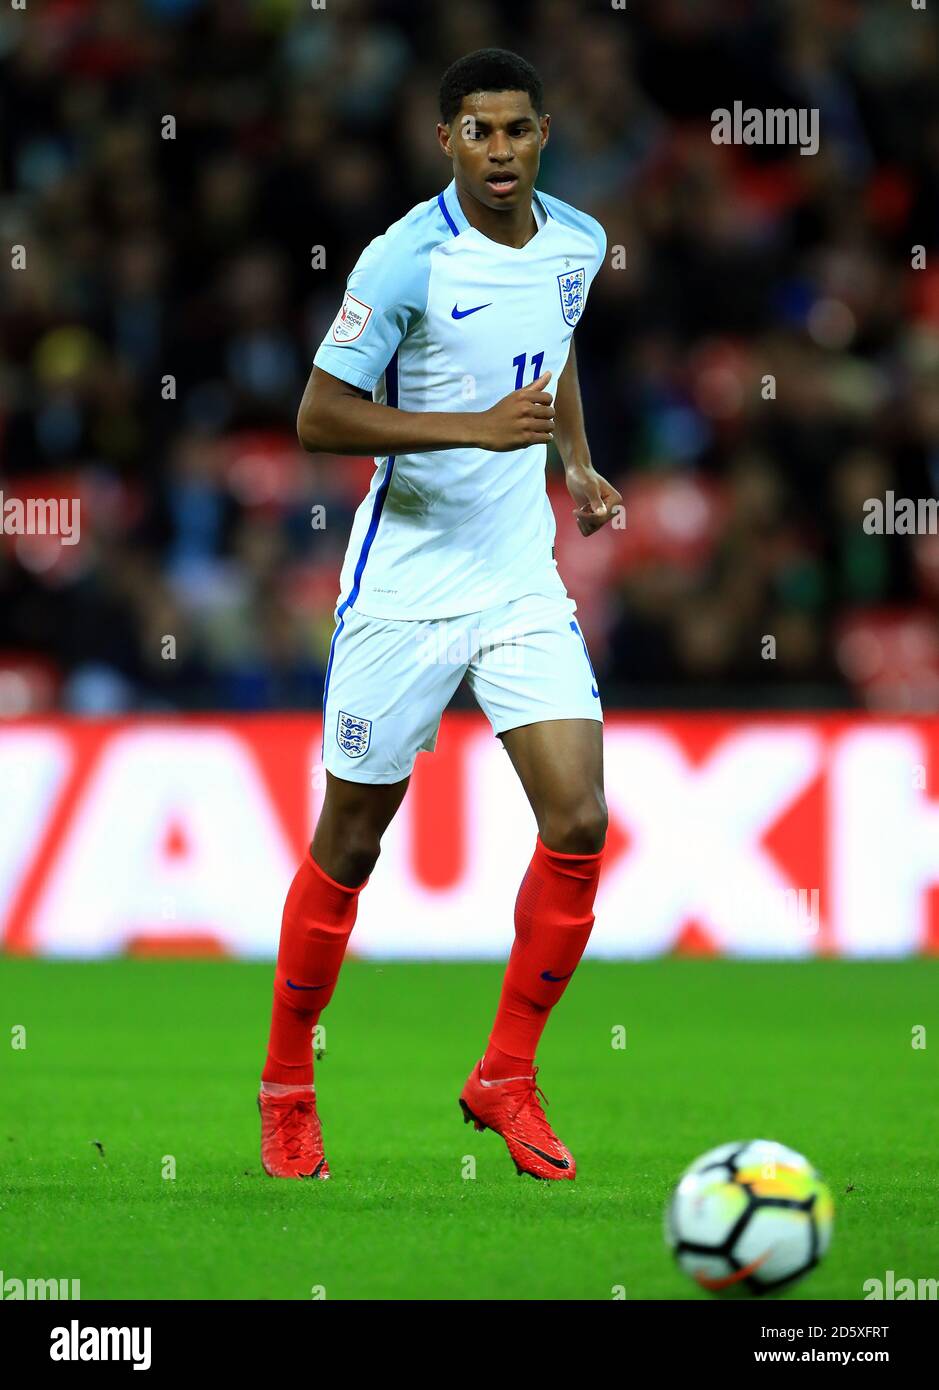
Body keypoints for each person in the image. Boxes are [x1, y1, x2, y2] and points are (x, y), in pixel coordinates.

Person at [259, 47, 621, 1181]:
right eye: (479, 131)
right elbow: (320, 416)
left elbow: (553, 359)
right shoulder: (405, 258)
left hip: (518, 578)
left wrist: (577, 462)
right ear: (445, 141)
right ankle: (286, 1084)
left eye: (518, 130)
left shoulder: (580, 242)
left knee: (578, 820)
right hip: (406, 588)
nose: (500, 151)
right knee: (352, 840)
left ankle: (506, 1070)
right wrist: (473, 428)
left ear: (544, 134)